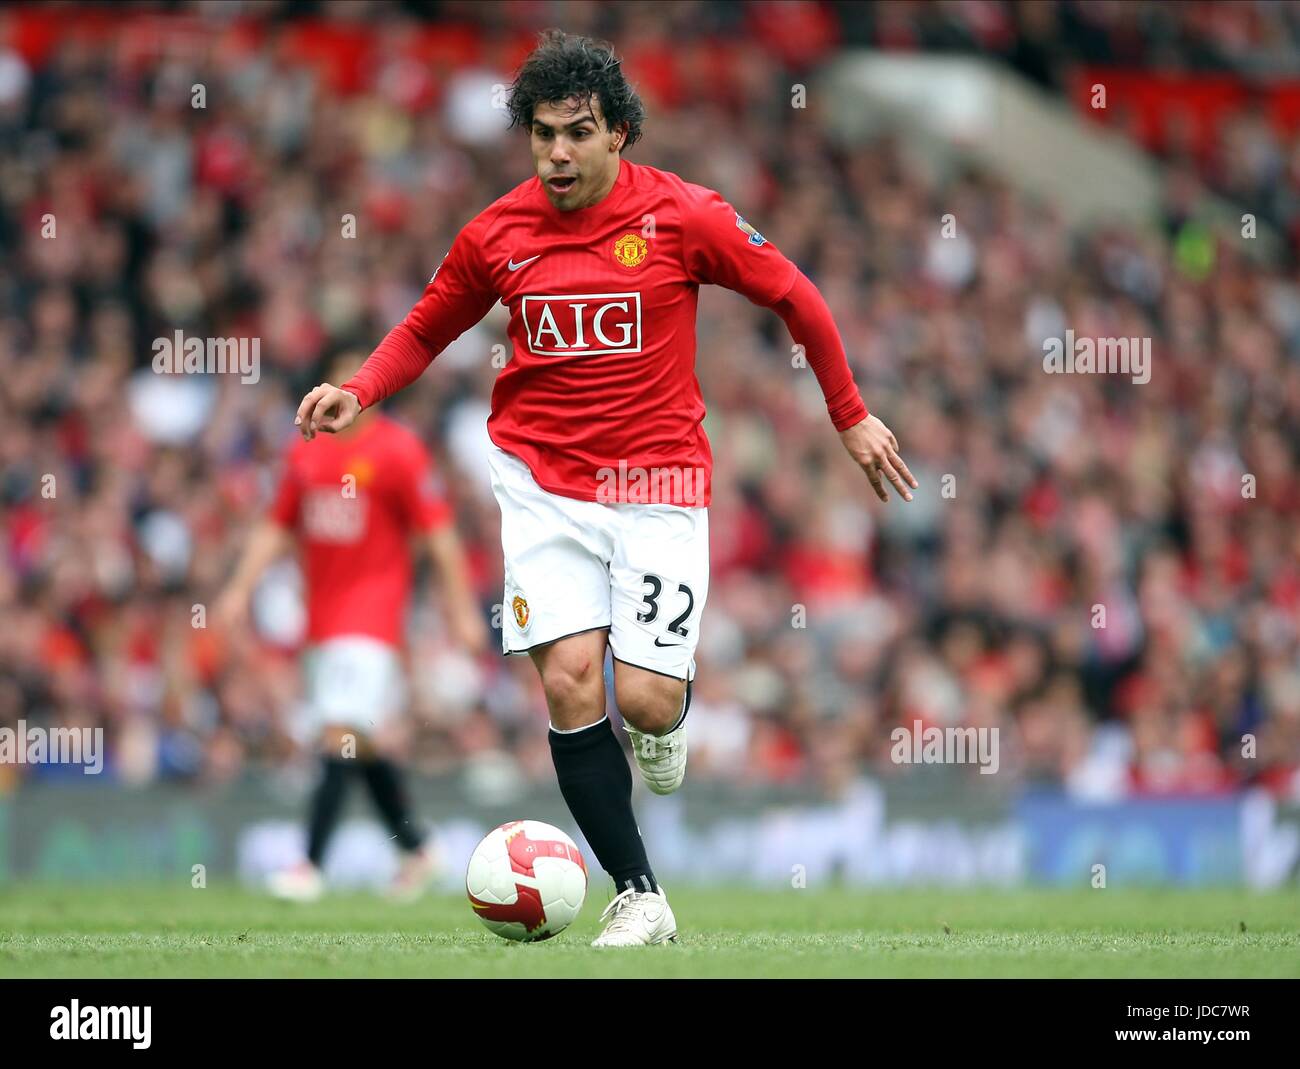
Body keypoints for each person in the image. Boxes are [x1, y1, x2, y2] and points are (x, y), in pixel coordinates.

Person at [293, 32, 916, 943]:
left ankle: (666, 722)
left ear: (618, 132)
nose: (556, 152)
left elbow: (796, 295)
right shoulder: (497, 233)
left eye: (577, 133)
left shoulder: (685, 216)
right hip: (540, 485)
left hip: (658, 484)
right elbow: (429, 325)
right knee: (573, 680)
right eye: (542, 133)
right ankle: (641, 893)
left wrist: (849, 412)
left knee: (649, 700)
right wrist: (360, 389)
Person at [217, 352, 486, 902]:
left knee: (337, 734)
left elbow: (438, 534)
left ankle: (308, 865)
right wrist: (240, 587)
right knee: (356, 744)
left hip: (373, 616)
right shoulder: (305, 455)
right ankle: (416, 848)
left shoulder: (399, 452)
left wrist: (461, 610)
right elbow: (276, 527)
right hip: (321, 623)